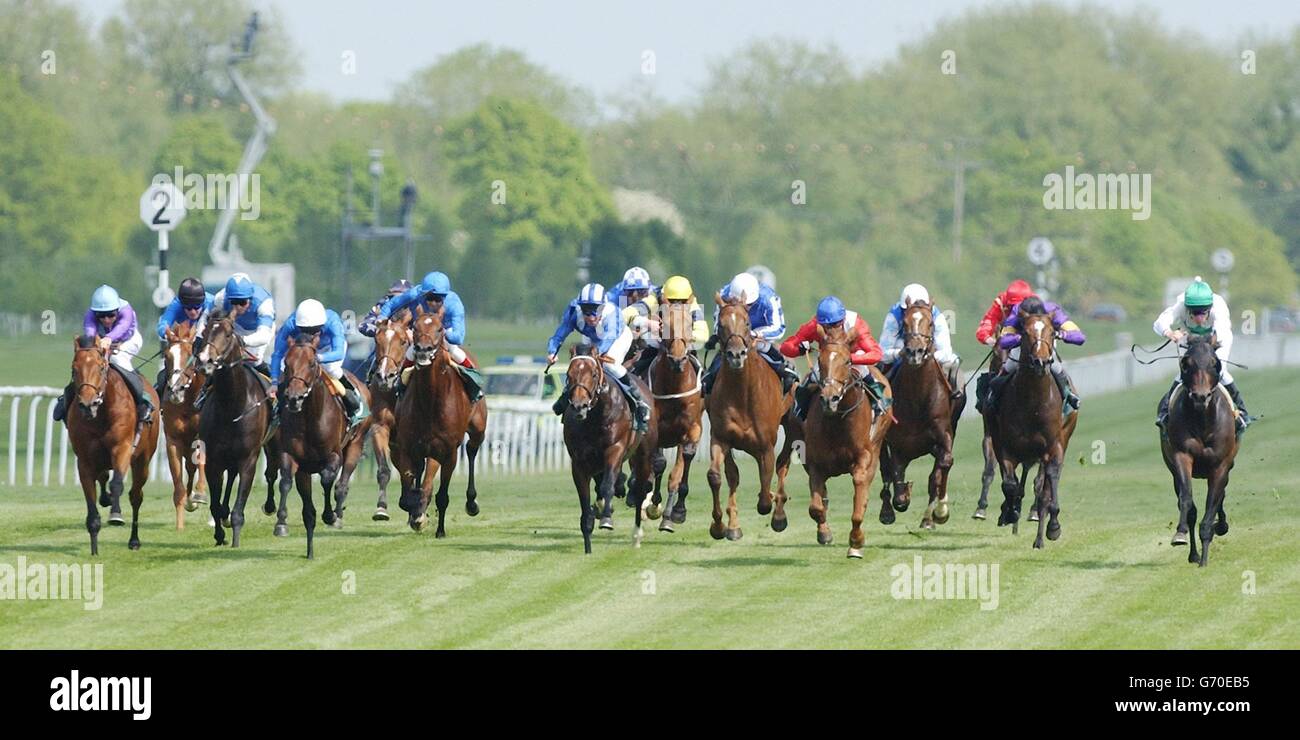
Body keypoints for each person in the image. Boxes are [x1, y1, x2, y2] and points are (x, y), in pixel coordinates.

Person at [546, 283, 651, 432]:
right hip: (594, 339)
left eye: (596, 309)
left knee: (609, 365)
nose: (591, 316)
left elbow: (608, 340)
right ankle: (566, 396)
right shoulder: (573, 312)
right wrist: (552, 352)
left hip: (618, 337)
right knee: (579, 367)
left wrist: (593, 355)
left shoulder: (612, 313)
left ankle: (639, 403)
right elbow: (558, 336)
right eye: (586, 310)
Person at [1153, 276, 1252, 433]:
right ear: (1188, 308)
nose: (1199, 317)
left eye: (1203, 312)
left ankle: (1242, 412)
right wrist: (1170, 333)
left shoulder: (1219, 307)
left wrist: (1205, 346)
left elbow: (1221, 331)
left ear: (1210, 307)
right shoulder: (1180, 305)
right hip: (1193, 339)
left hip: (1217, 340)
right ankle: (1165, 411)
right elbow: (1159, 323)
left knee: (1220, 371)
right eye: (1194, 312)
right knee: (1185, 371)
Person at [52, 285, 154, 424]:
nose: (106, 319)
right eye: (101, 316)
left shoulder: (126, 311)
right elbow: (90, 333)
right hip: (103, 341)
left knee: (118, 359)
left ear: (117, 310)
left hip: (128, 340)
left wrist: (109, 339)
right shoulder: (90, 315)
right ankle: (67, 399)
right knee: (88, 363)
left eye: (111, 315)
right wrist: (96, 346)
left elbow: (122, 328)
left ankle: (143, 400)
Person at [377, 271, 481, 401]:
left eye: (437, 299)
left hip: (442, 334)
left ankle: (473, 382)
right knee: (410, 353)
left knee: (454, 351)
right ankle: (401, 387)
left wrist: (445, 332)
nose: (432, 303)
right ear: (423, 293)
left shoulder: (454, 304)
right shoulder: (415, 293)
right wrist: (382, 317)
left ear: (445, 297)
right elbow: (392, 304)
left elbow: (458, 337)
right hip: (422, 335)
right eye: (429, 298)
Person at [780, 295, 886, 420]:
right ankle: (800, 411)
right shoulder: (815, 325)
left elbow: (876, 353)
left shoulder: (856, 324)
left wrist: (848, 359)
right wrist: (799, 349)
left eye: (835, 324)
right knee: (811, 380)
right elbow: (785, 347)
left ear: (843, 320)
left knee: (864, 372)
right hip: (828, 358)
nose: (831, 329)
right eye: (827, 326)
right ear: (821, 323)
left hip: (853, 356)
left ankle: (879, 403)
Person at [984, 295, 1085, 414]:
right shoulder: (1018, 311)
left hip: (1046, 347)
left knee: (1057, 368)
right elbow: (1004, 341)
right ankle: (993, 396)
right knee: (1008, 367)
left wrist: (1061, 335)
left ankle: (1069, 395)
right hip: (1023, 349)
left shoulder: (1053, 311)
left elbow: (1080, 337)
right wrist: (1024, 337)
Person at [702, 272, 799, 395]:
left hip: (760, 333)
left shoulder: (769, 298)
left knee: (764, 348)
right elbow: (719, 323)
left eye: (748, 305)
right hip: (734, 332)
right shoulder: (724, 295)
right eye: (734, 303)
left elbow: (779, 327)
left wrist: (756, 334)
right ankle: (709, 377)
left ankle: (785, 371)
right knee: (724, 351)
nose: (743, 307)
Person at [270, 299, 364, 426]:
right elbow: (277, 354)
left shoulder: (333, 322)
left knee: (332, 369)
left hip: (327, 348)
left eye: (314, 330)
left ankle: (351, 396)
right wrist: (275, 381)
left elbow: (339, 353)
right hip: (302, 349)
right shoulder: (290, 324)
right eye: (304, 330)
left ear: (322, 325)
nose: (309, 334)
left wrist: (318, 358)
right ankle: (278, 407)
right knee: (286, 367)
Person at [878, 283, 962, 399]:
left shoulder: (938, 318)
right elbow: (882, 353)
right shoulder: (894, 316)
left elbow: (946, 352)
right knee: (878, 368)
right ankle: (879, 399)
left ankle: (955, 394)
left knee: (954, 363)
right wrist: (899, 353)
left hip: (929, 353)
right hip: (903, 350)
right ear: (904, 308)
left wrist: (927, 356)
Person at [626, 275, 710, 376]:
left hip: (684, 346)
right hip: (656, 342)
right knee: (636, 368)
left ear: (689, 299)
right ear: (663, 297)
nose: (677, 306)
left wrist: (681, 336)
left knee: (705, 377)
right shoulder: (654, 299)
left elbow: (703, 335)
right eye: (671, 301)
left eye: (682, 302)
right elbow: (625, 314)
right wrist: (646, 323)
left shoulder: (693, 305)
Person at [974, 279, 1034, 413]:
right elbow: (986, 325)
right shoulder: (1000, 302)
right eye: (1012, 306)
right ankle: (987, 413)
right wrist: (990, 340)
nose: (1015, 310)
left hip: (1030, 345)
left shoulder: (1035, 303)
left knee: (1052, 366)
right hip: (1006, 343)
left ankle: (1067, 395)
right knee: (989, 377)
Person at [154, 277, 214, 393]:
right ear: (182, 304)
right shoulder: (176, 305)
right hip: (185, 350)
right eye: (188, 308)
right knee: (162, 378)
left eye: (197, 307)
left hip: (207, 348)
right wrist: (169, 335)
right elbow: (163, 323)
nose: (193, 312)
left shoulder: (212, 303)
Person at [207, 272, 276, 373]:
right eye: (234, 302)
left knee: (253, 362)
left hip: (258, 330)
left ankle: (274, 383)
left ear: (250, 298)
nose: (238, 307)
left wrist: (243, 341)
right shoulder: (221, 298)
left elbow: (264, 335)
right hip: (236, 326)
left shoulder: (264, 303)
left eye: (242, 302)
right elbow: (205, 315)